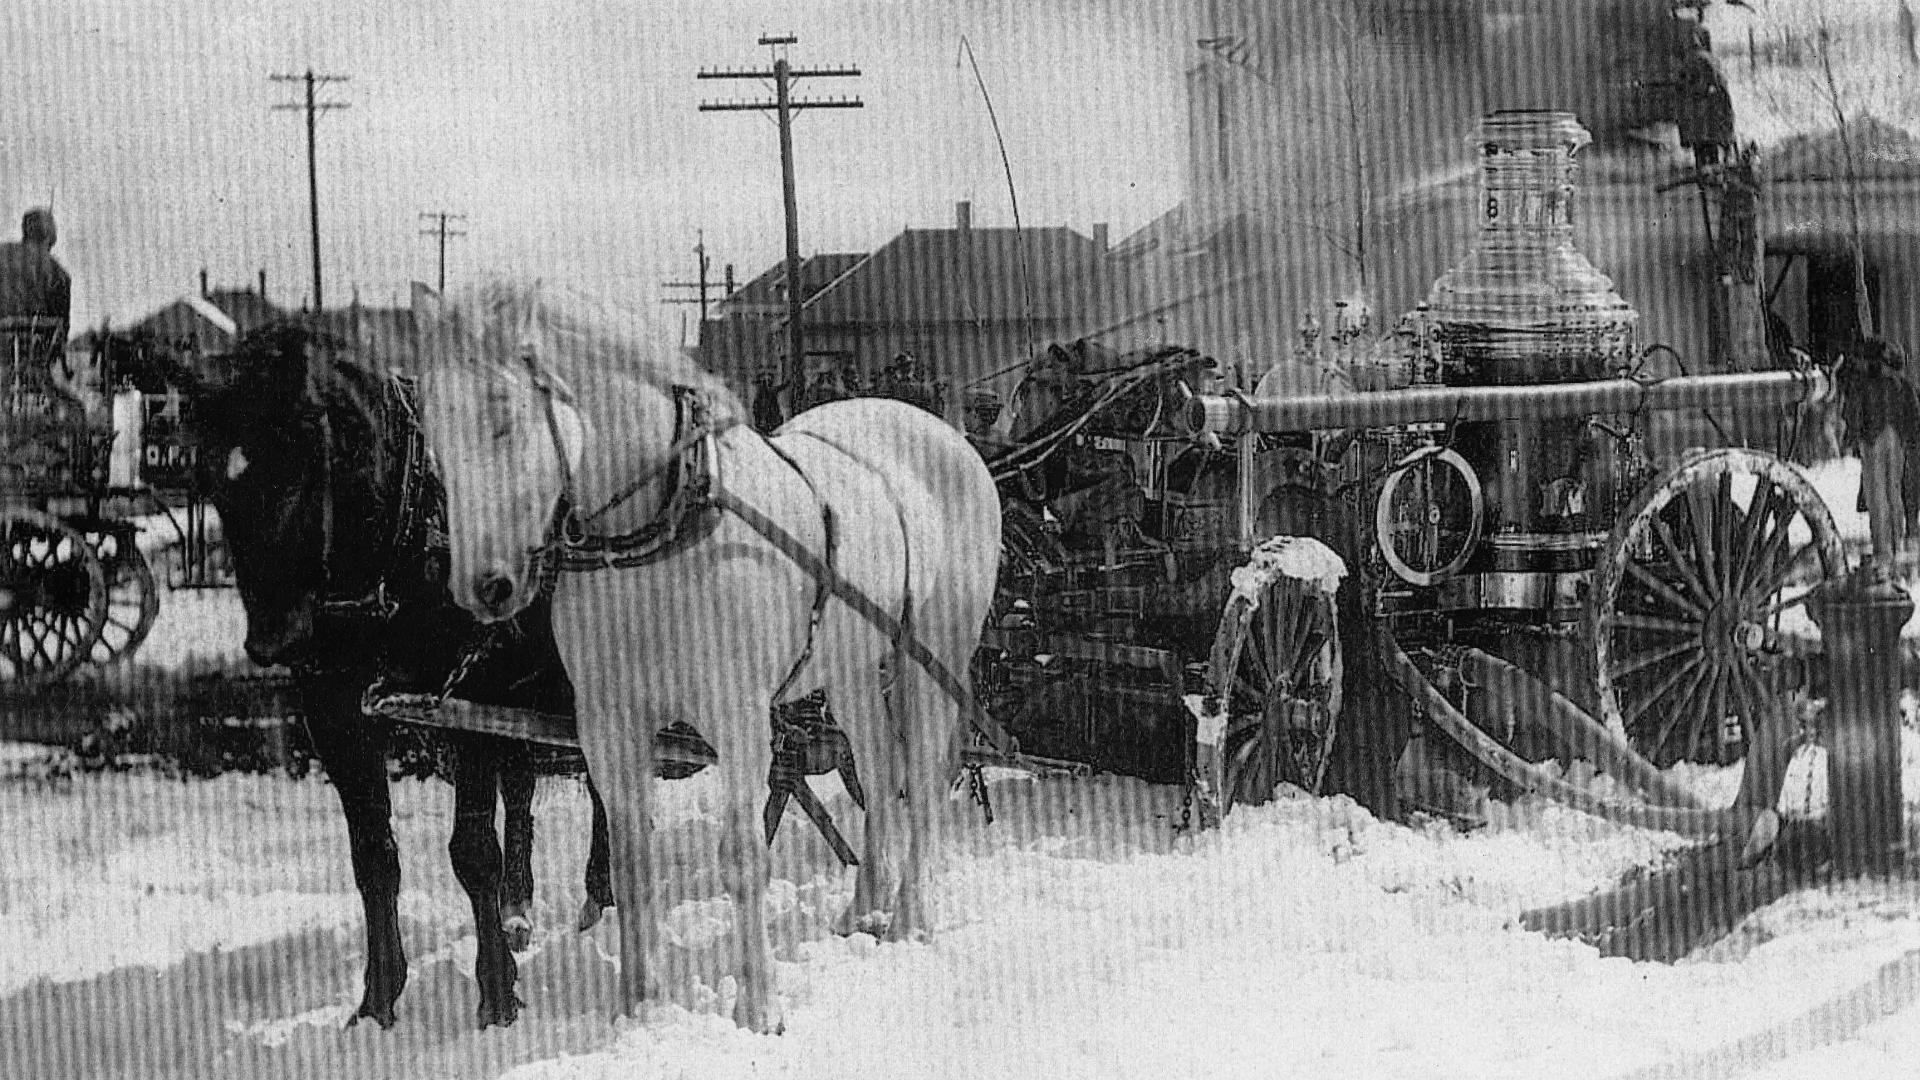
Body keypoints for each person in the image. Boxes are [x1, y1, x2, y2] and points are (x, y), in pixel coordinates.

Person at [1837, 336, 1920, 576]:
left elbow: (1853, 414)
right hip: (1897, 441)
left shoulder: (1863, 385)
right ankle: (1897, 545)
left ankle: (1883, 550)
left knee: (1877, 498)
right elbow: (1913, 414)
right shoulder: (1901, 384)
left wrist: (1850, 439)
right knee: (1894, 493)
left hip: (1872, 439)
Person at [0, 207, 72, 335]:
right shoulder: (60, 275)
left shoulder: (3, 254)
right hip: (36, 349)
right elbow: (61, 331)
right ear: (51, 237)